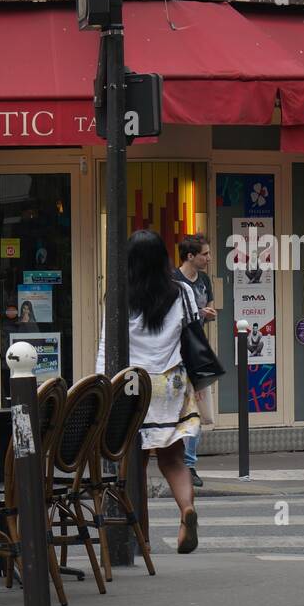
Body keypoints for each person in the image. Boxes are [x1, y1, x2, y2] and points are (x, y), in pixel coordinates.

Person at [97, 229, 202, 553]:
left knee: (136, 463)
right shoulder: (182, 292)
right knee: (173, 458)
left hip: (133, 386)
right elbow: (192, 335)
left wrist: (102, 386)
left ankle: (140, 535)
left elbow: (107, 345)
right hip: (169, 382)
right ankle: (186, 510)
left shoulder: (118, 295)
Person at [175, 234, 216, 487]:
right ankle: (180, 461)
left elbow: (207, 312)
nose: (209, 258)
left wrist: (207, 314)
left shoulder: (204, 281)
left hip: (198, 349)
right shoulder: (173, 281)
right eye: (205, 254)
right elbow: (171, 317)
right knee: (180, 410)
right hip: (177, 352)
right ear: (191, 256)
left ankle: (189, 464)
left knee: (197, 410)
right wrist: (199, 313)